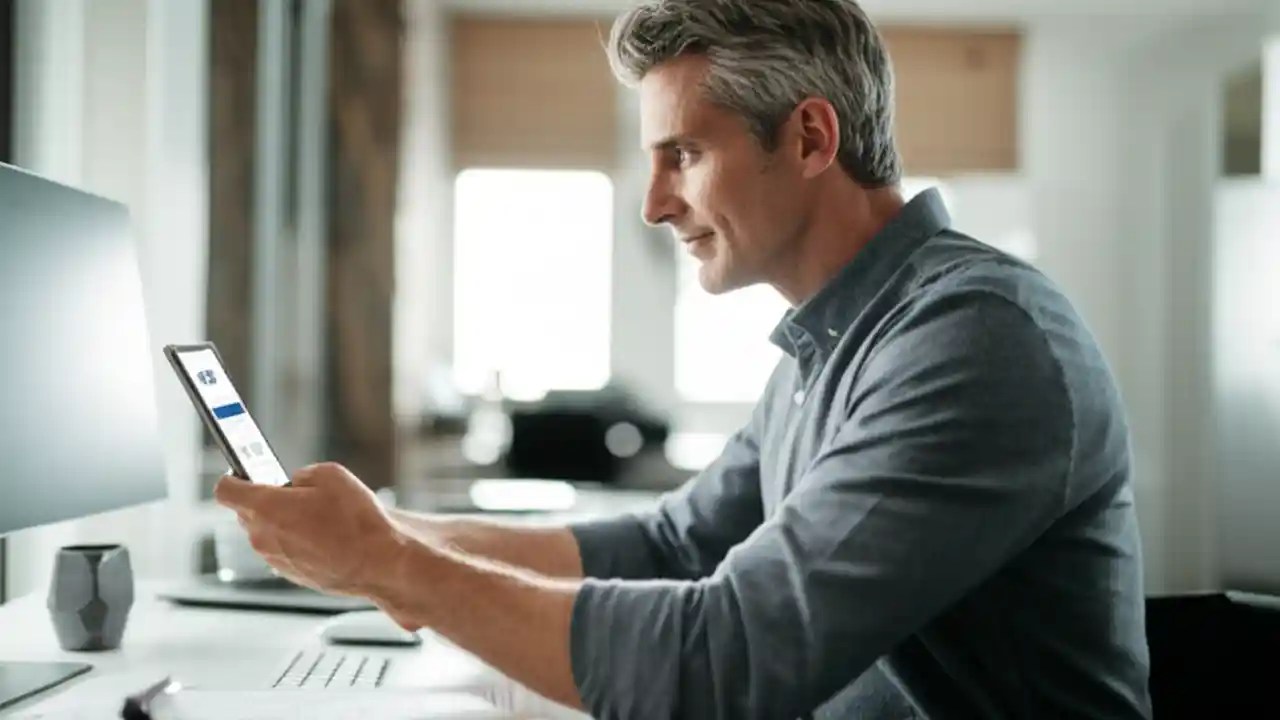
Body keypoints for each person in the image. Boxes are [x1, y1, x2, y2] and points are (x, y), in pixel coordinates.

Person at [215, 1, 1152, 717]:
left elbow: (727, 662)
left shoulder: (973, 341)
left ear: (812, 137)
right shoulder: (827, 348)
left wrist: (392, 568)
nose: (654, 204)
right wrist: (387, 531)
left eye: (686, 154)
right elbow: (674, 546)